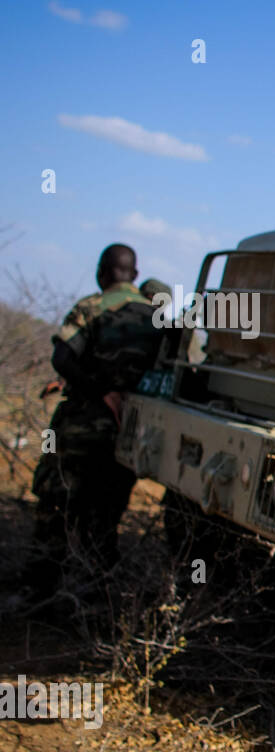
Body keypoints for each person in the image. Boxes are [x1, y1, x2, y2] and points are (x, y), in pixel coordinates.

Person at [28, 243, 166, 597]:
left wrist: (98, 388)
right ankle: (95, 601)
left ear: (101, 272)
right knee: (105, 517)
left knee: (55, 506)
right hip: (128, 434)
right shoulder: (157, 318)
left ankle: (39, 593)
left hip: (79, 428)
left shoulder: (91, 307)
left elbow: (63, 356)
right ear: (134, 276)